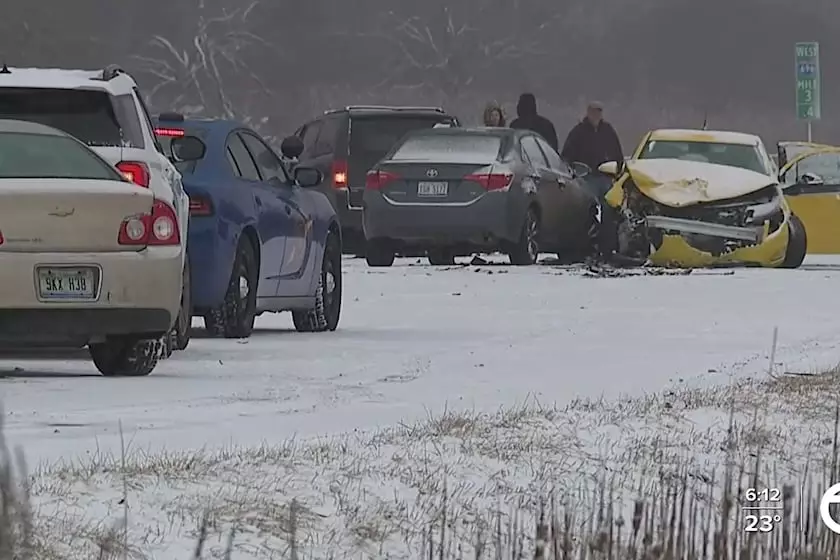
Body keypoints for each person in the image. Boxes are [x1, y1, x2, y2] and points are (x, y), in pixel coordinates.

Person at [560, 101, 624, 200]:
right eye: (593, 112)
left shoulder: (608, 130)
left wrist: (618, 171)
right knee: (589, 205)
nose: (596, 115)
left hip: (606, 178)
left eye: (598, 112)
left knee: (609, 206)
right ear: (588, 112)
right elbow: (567, 154)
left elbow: (617, 152)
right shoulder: (578, 132)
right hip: (586, 178)